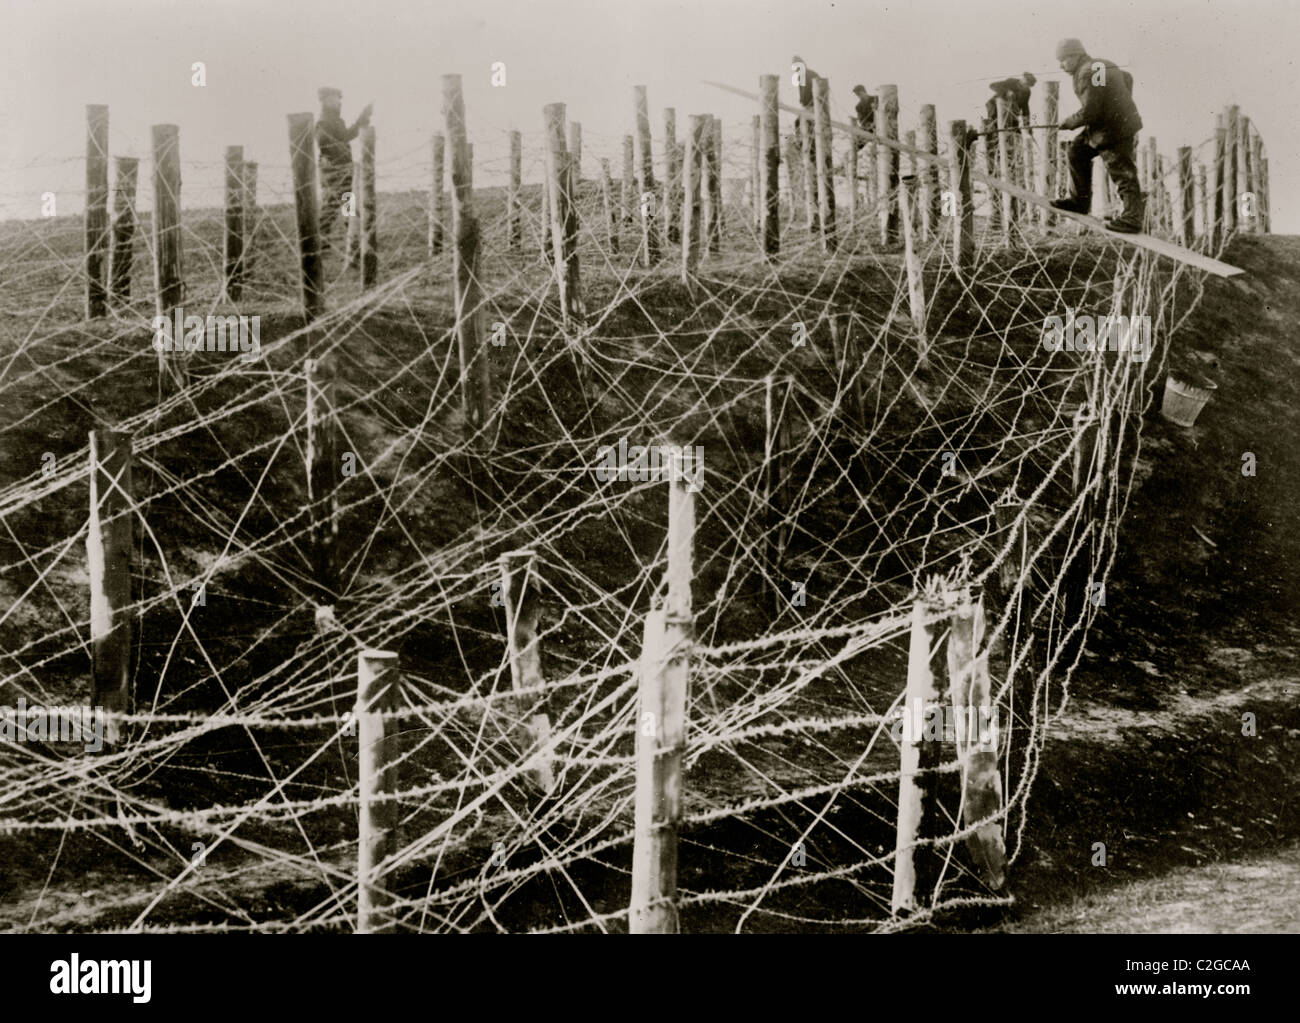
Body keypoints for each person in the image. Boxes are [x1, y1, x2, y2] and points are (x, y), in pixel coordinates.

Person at [1048, 39, 1145, 233]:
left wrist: (1068, 122)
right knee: (1077, 151)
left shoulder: (1086, 72)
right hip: (1111, 123)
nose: (1061, 65)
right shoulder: (1100, 64)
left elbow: (1091, 110)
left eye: (1064, 60)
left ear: (1076, 55)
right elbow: (1127, 78)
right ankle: (1079, 202)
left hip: (1113, 129)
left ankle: (1132, 219)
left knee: (1121, 171)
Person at [316, 87, 373, 260]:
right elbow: (323, 141)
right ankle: (321, 241)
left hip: (342, 168)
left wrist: (363, 118)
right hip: (334, 168)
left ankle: (352, 237)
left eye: (339, 99)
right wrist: (340, 158)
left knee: (346, 201)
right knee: (332, 204)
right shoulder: (324, 121)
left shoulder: (335, 120)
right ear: (325, 100)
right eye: (335, 98)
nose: (339, 101)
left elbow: (346, 135)